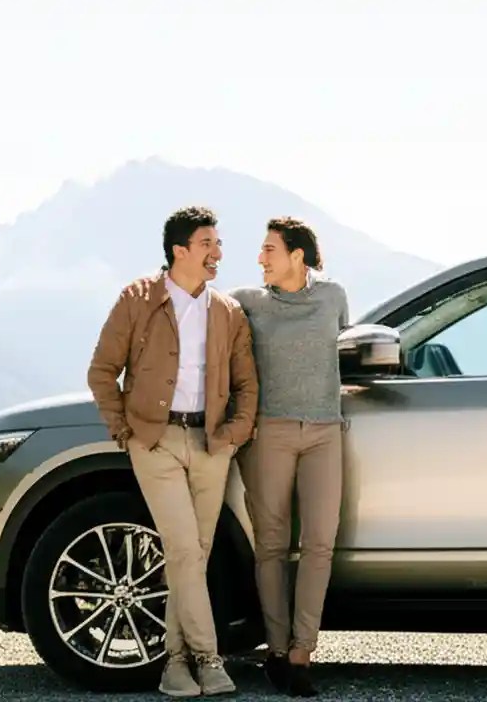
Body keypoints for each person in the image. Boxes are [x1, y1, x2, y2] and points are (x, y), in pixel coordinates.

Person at [86, 205, 259, 697]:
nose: (218, 254)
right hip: (156, 442)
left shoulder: (226, 311)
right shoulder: (137, 299)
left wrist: (233, 434)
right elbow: (102, 371)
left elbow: (247, 385)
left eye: (218, 245)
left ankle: (174, 664)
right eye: (208, 244)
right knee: (184, 549)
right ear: (179, 251)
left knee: (194, 556)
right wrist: (126, 431)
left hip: (211, 444)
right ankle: (208, 658)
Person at [230, 217, 349, 697]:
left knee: (320, 541)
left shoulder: (332, 296)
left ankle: (303, 650)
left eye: (269, 250)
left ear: (297, 255)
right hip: (270, 432)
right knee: (273, 544)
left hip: (324, 430)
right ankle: (277, 653)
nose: (260, 259)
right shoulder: (247, 302)